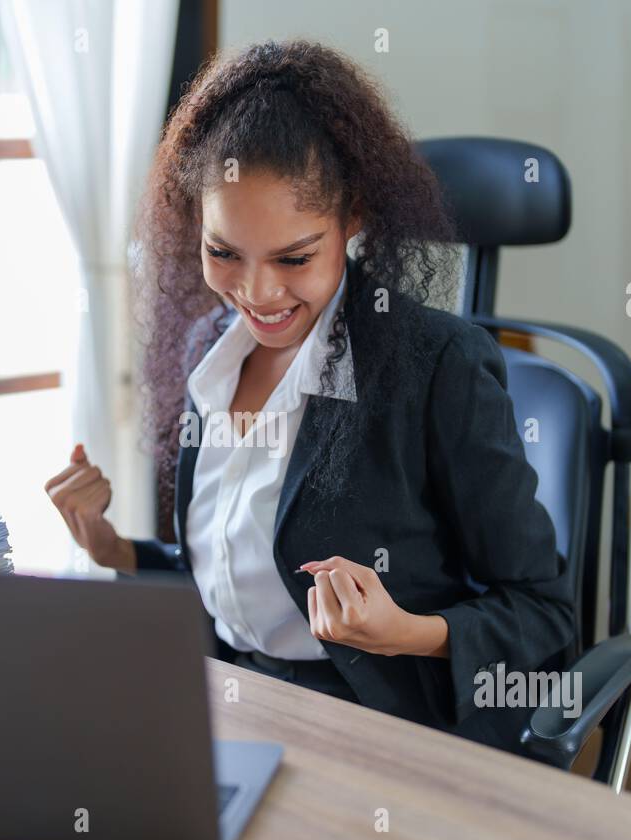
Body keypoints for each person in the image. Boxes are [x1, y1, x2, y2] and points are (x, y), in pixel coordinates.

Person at [45, 39, 574, 754]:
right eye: (223, 252)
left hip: (378, 728)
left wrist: (406, 633)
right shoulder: (209, 349)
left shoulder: (436, 368)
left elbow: (545, 615)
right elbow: (239, 584)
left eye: (294, 258)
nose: (256, 295)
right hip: (232, 702)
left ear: (353, 218)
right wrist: (114, 548)